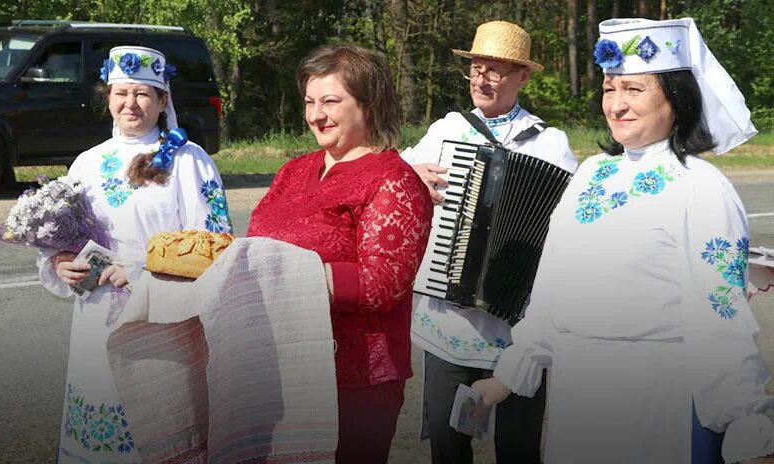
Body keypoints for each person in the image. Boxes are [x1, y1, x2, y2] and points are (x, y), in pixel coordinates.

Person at [472, 18, 774, 464]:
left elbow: (720, 319)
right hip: (578, 397)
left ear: (676, 97)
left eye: (633, 90)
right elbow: (554, 288)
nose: (616, 105)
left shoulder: (702, 188)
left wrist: (748, 425)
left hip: (655, 402)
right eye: (610, 89)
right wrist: (510, 374)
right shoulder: (592, 173)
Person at [37, 45, 231, 463]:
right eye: (121, 93)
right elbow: (60, 240)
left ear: (163, 102)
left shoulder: (189, 161)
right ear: (107, 98)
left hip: (161, 318)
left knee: (157, 430)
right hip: (95, 321)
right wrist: (58, 262)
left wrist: (144, 272)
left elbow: (216, 248)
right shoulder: (86, 164)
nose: (131, 103)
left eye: (143, 93)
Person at [400, 21, 577, 464]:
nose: (482, 79)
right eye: (477, 68)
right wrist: (411, 177)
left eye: (496, 70)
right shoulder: (446, 130)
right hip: (449, 323)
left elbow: (571, 231)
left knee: (518, 448)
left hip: (519, 329)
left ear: (523, 76)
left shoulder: (550, 143)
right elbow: (391, 184)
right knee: (449, 446)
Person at [246, 44, 433, 463]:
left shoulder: (393, 179)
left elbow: (384, 282)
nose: (316, 114)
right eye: (310, 102)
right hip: (278, 362)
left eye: (331, 101)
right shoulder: (295, 170)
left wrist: (286, 277)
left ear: (369, 104)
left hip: (352, 378)